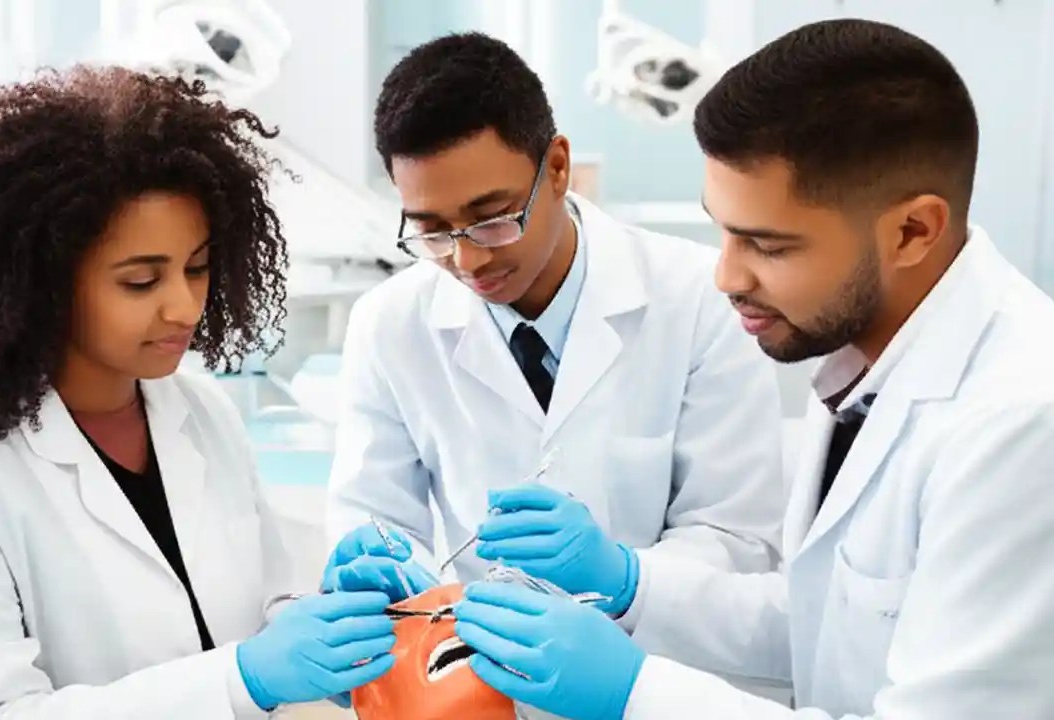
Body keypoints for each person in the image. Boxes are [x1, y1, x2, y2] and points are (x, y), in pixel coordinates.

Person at [446, 18, 1054, 720]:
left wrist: (637, 694)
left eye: (767, 245)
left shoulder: (1018, 424)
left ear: (912, 232)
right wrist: (628, 582)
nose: (725, 275)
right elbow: (823, 618)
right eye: (723, 230)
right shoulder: (869, 360)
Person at [0, 66, 398, 719]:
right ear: (43, 283)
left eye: (197, 268)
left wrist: (330, 627)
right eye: (141, 281)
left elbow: (261, 613)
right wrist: (243, 678)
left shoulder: (203, 414)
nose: (184, 306)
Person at [321, 32, 784, 613]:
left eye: (492, 219)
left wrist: (625, 581)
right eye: (432, 231)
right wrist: (387, 580)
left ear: (558, 168)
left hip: (657, 679)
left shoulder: (699, 300)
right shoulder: (388, 324)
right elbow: (377, 518)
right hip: (481, 676)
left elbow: (736, 539)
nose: (467, 260)